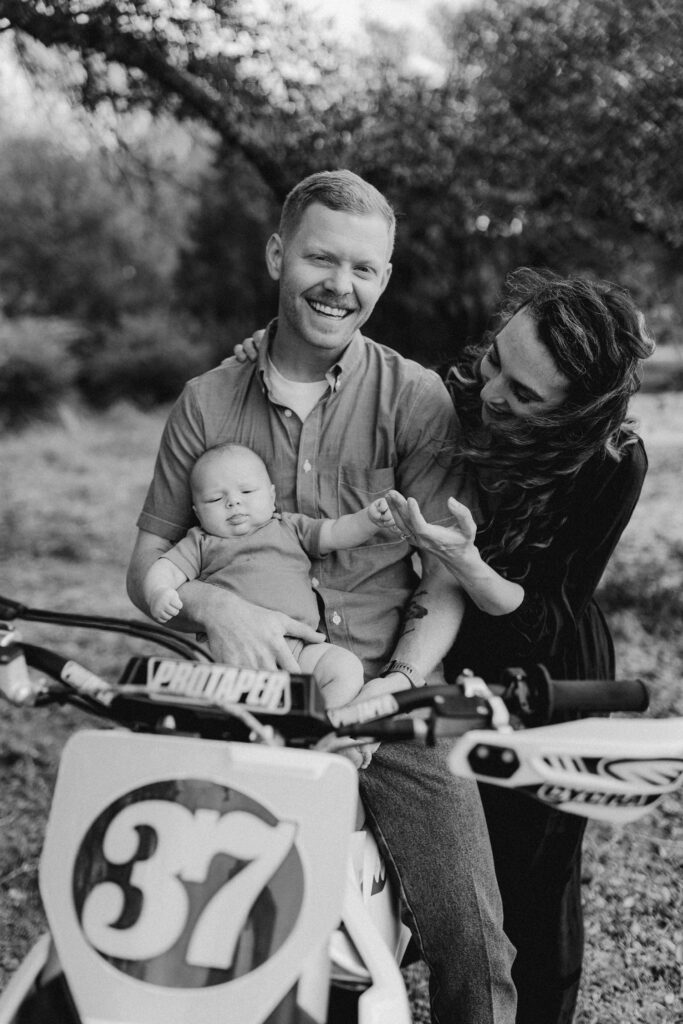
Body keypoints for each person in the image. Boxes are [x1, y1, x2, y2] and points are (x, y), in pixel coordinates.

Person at [127, 169, 517, 1024]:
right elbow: (148, 564)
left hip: (388, 688)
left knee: (476, 939)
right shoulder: (206, 402)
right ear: (278, 253)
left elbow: (445, 574)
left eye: (365, 269)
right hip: (242, 691)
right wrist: (211, 607)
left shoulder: (414, 397)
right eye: (320, 258)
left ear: (383, 278)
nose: (340, 286)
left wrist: (398, 681)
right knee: (168, 915)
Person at [385, 267, 655, 1024]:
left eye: (524, 394)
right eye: (495, 358)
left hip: (541, 669)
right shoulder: (453, 394)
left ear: (575, 412)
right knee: (443, 872)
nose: (491, 390)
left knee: (533, 891)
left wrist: (468, 565)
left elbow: (541, 616)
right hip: (432, 645)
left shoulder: (611, 461)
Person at [143, 441, 398, 713]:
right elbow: (164, 568)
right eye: (216, 499)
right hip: (236, 652)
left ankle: (322, 726)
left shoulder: (289, 526)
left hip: (299, 650)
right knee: (201, 692)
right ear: (197, 512)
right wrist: (159, 591)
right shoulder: (201, 542)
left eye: (247, 491)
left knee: (345, 669)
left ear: (272, 496)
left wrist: (368, 520)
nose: (234, 501)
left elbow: (335, 533)